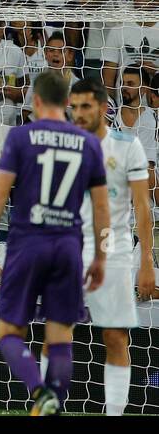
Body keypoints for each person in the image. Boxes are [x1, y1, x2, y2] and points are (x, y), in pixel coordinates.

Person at [0, 71, 110, 416]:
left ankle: (39, 392)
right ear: (67, 103)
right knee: (61, 335)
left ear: (34, 101)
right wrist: (101, 256)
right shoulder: (89, 142)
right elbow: (102, 207)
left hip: (27, 243)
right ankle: (54, 405)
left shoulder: (20, 137)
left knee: (8, 330)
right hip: (68, 246)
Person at [67, 78, 154, 415]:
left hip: (114, 250)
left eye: (85, 106)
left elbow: (143, 207)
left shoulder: (128, 146)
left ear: (104, 109)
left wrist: (146, 259)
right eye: (73, 107)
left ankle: (114, 413)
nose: (78, 113)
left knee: (115, 337)